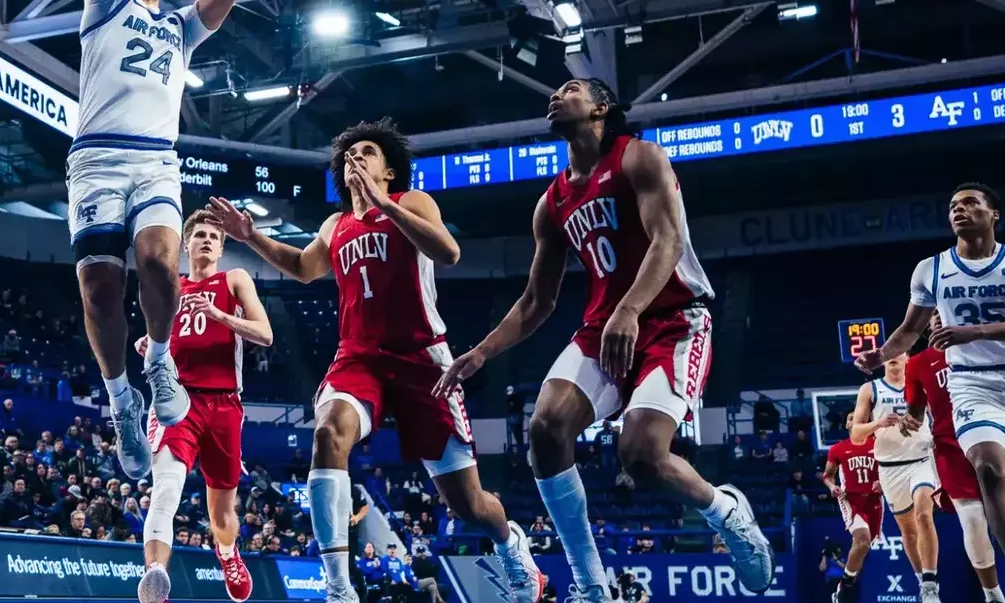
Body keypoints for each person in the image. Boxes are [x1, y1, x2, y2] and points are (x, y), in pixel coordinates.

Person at [436, 79, 771, 602]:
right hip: (605, 327)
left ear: (600, 107)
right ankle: (592, 583)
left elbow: (670, 240)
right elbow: (536, 301)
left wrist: (631, 309)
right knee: (545, 428)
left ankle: (725, 511)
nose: (554, 94)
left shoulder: (639, 158)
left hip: (673, 318)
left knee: (639, 455)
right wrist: (481, 351)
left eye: (569, 88)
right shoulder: (551, 203)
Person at [206, 118, 541, 603]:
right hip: (358, 360)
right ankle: (339, 588)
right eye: (349, 155)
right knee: (327, 433)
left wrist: (385, 206)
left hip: (422, 360)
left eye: (367, 152)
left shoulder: (411, 202)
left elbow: (448, 252)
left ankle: (511, 542)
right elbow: (303, 268)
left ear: (388, 172)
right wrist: (252, 237)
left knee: (468, 506)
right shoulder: (334, 226)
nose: (355, 158)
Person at [65, 0, 264, 482]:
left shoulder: (179, 29)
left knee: (156, 260)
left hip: (154, 161)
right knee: (97, 288)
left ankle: (156, 360)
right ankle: (120, 398)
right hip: (94, 161)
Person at [859, 182, 1005, 601]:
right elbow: (910, 329)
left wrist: (971, 331)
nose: (960, 210)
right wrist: (880, 354)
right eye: (954, 206)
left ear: (993, 214)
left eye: (971, 203)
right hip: (972, 381)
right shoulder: (931, 268)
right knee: (989, 470)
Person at [134, 210, 273, 603]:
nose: (208, 240)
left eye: (215, 235)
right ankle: (156, 576)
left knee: (222, 514)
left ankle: (228, 553)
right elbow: (160, 337)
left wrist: (220, 315)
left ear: (222, 246)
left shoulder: (234, 280)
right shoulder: (172, 288)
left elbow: (265, 333)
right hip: (178, 399)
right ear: (187, 244)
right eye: (200, 235)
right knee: (167, 486)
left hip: (225, 404)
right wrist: (148, 343)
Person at [903, 328, 1005, 603]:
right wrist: (909, 420)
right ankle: (993, 595)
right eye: (934, 316)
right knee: (972, 521)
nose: (940, 320)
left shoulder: (987, 346)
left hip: (996, 441)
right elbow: (914, 409)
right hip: (951, 450)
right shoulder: (918, 363)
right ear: (928, 325)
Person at [850, 353, 939, 601]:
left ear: (907, 359)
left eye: (897, 353)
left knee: (924, 513)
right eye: (887, 354)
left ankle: (932, 584)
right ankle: (922, 580)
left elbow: (940, 415)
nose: (892, 357)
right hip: (890, 467)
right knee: (909, 533)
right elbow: (856, 435)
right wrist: (877, 424)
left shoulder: (921, 382)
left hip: (922, 460)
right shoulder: (870, 389)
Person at [822, 417, 881, 603]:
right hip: (851, 499)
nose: (855, 420)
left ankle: (843, 586)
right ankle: (845, 586)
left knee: (863, 547)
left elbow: (890, 469)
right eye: (851, 418)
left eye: (860, 418)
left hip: (874, 500)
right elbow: (828, 475)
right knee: (862, 542)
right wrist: (832, 487)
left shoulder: (879, 444)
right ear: (847, 425)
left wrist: (884, 480)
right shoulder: (838, 448)